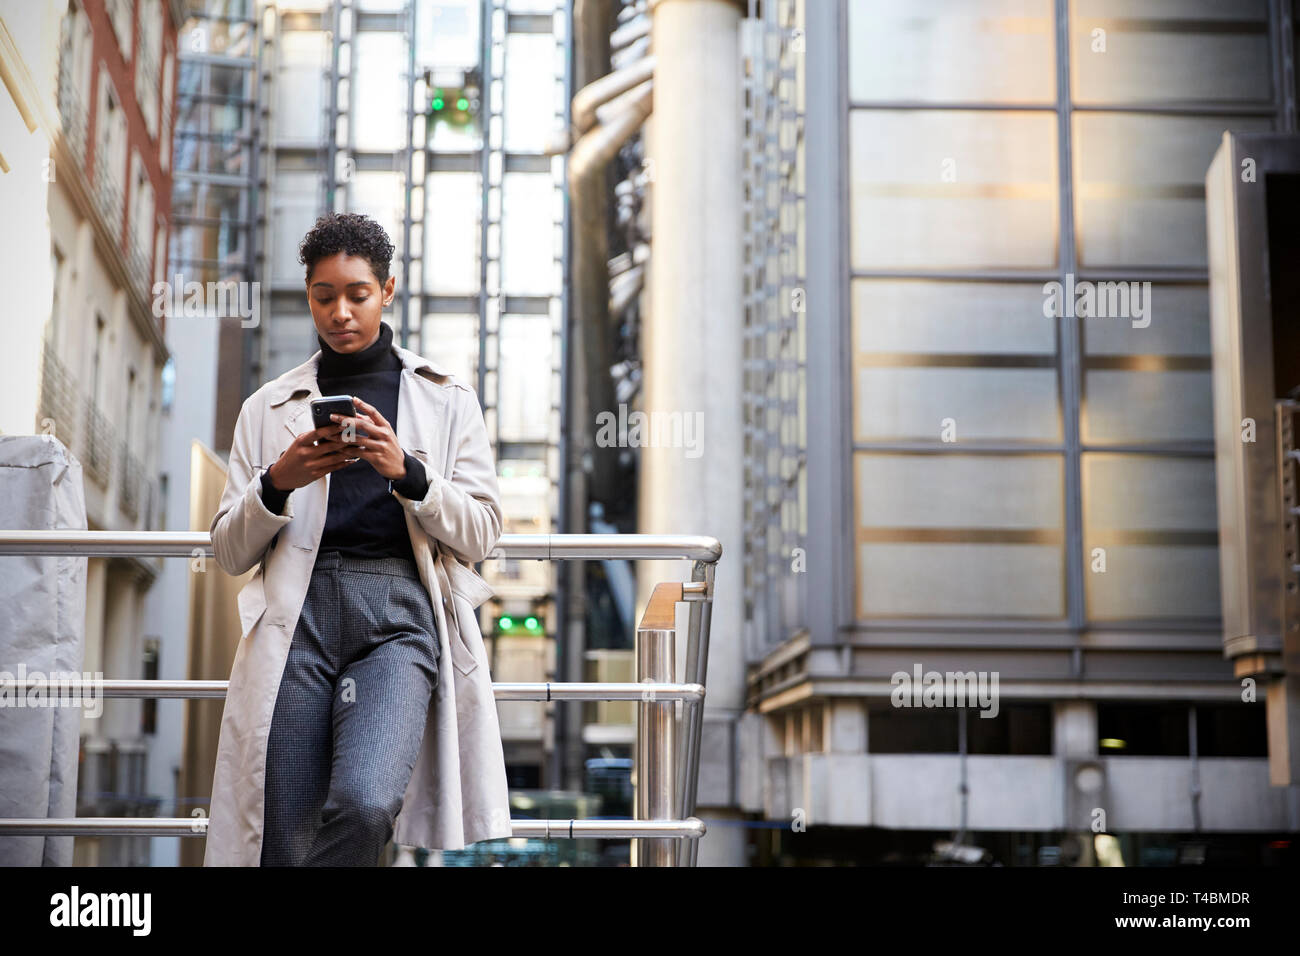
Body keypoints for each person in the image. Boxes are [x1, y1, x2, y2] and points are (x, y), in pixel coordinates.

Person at [208, 212, 508, 866]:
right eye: (324, 296)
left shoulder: (446, 399)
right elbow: (229, 552)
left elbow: (483, 532)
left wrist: (411, 473)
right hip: (299, 616)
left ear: (388, 291)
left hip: (398, 618)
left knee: (367, 801)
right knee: (282, 825)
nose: (340, 312)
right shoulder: (267, 407)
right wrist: (278, 483)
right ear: (308, 296)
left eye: (358, 295)